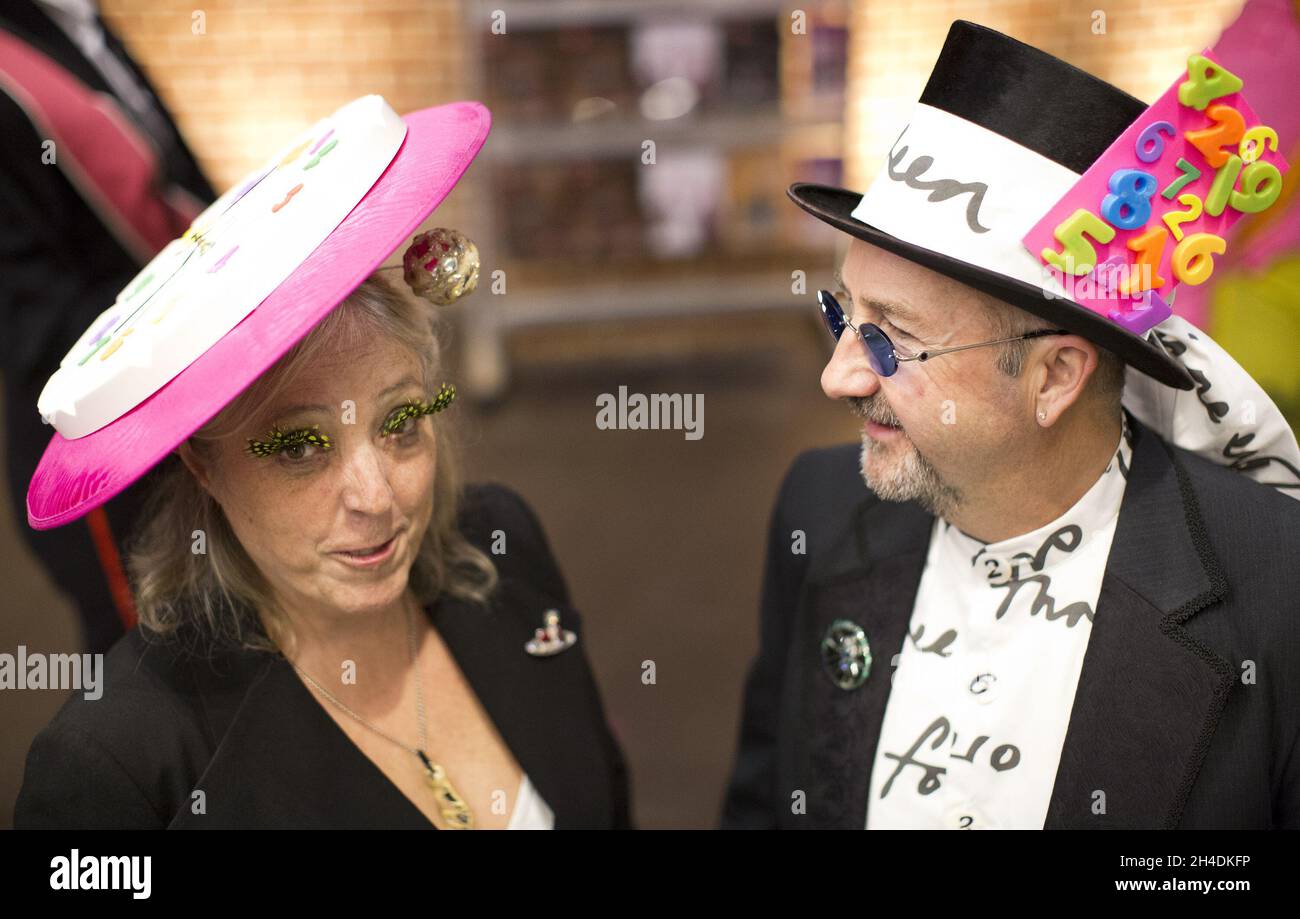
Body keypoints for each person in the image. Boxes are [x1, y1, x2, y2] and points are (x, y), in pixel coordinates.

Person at [721, 21, 1300, 829]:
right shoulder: (817, 513)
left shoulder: (1276, 586)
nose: (837, 376)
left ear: (1055, 376)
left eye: (892, 338)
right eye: (842, 314)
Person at [14, 96, 631, 829]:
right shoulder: (121, 762)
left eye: (401, 422)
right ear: (203, 467)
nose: (377, 495)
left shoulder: (503, 544)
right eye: (301, 449)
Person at [0, 0, 216, 653]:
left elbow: (168, 176)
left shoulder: (78, 18)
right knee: (143, 662)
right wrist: (185, 315)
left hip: (181, 400)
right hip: (98, 444)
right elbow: (26, 314)